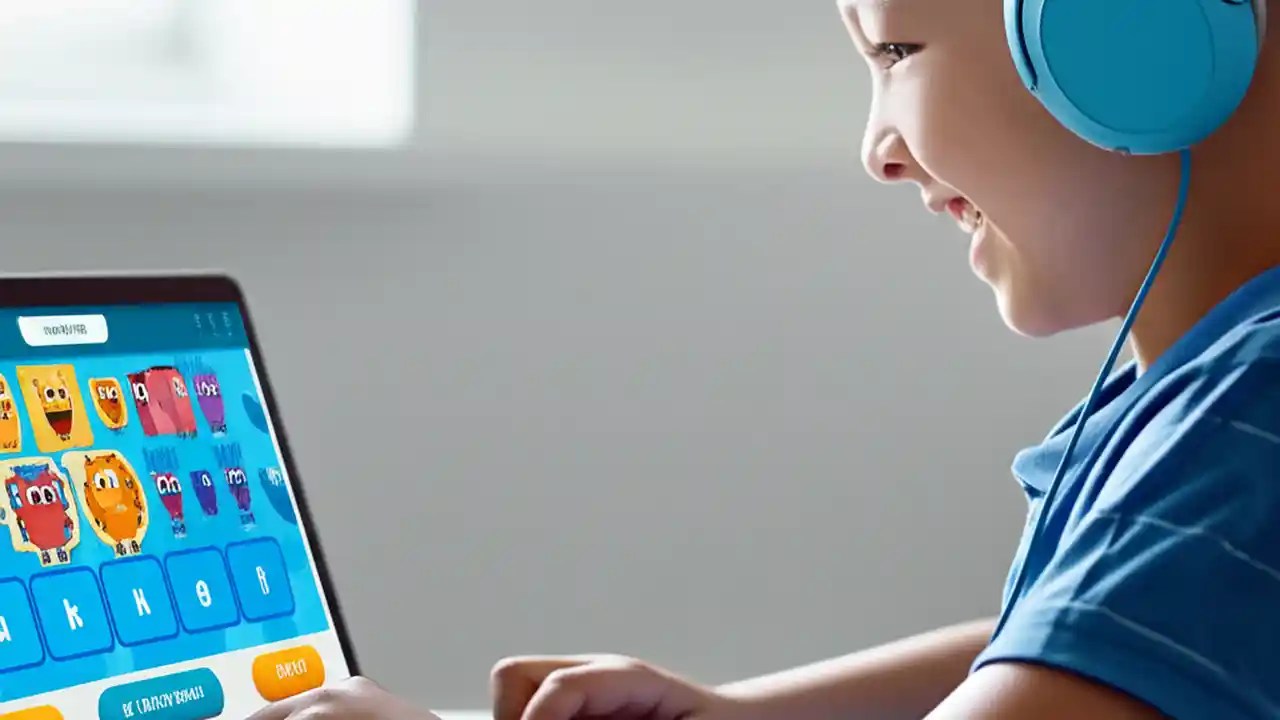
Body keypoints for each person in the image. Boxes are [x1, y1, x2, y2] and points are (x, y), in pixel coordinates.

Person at [249, 0, 1280, 717]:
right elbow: (1106, 651)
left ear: (1129, 33)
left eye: (894, 51)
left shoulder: (1247, 420)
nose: (876, 147)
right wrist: (748, 711)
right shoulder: (1210, 403)